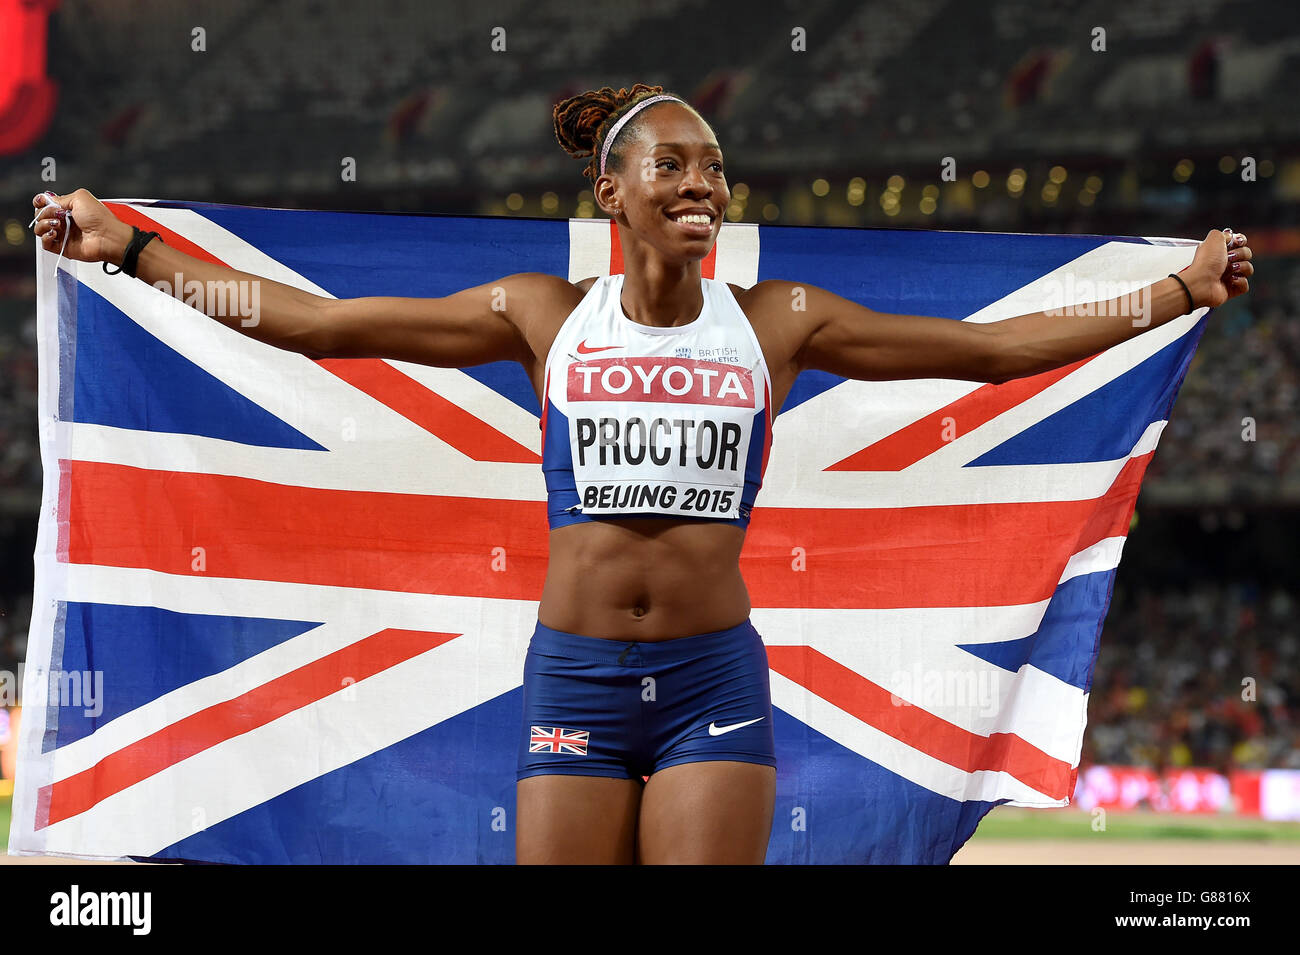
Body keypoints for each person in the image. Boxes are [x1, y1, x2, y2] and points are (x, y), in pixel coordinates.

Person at [31, 82, 1253, 865]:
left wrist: (1171, 293)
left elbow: (992, 353)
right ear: (610, 191)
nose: (700, 185)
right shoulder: (538, 315)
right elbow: (314, 325)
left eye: (712, 167)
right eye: (671, 166)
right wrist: (133, 251)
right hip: (572, 672)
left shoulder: (779, 322)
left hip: (712, 672)